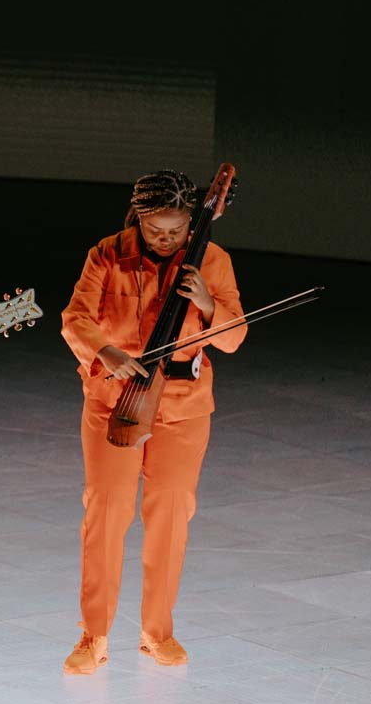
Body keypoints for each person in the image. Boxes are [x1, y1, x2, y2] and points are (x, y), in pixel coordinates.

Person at [60, 169, 246, 673]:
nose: (165, 241)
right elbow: (74, 318)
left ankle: (156, 632)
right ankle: (92, 635)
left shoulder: (213, 259)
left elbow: (233, 339)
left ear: (194, 222)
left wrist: (208, 305)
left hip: (183, 402)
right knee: (106, 511)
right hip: (114, 396)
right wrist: (106, 351)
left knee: (170, 514)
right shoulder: (107, 253)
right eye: (154, 231)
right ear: (137, 219)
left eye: (176, 231)